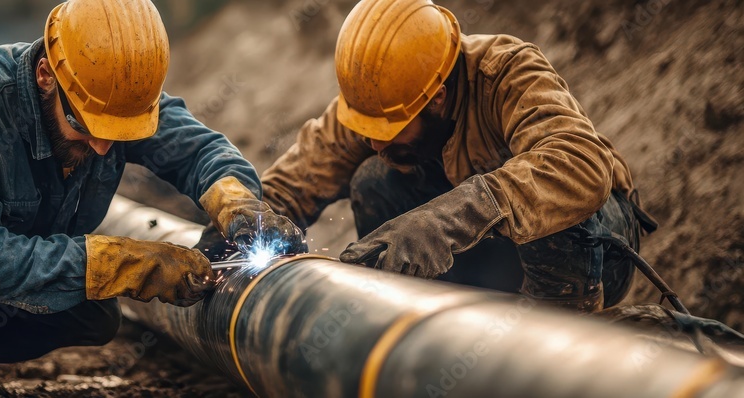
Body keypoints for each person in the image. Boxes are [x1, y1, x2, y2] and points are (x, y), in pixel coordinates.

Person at [0, 0, 304, 396]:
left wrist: (237, 202)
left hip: (5, 240)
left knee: (92, 317)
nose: (104, 147)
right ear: (46, 75)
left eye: (117, 133)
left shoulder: (112, 93)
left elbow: (198, 149)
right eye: (87, 128)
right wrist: (126, 261)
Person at [260, 0, 656, 314]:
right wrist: (241, 220)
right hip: (493, 262)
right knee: (372, 180)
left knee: (545, 199)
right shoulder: (380, 101)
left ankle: (559, 345)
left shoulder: (507, 71)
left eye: (388, 133)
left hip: (595, 254)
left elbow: (580, 165)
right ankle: (432, 328)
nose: (377, 143)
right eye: (370, 132)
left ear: (436, 99)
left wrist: (446, 220)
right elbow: (295, 181)